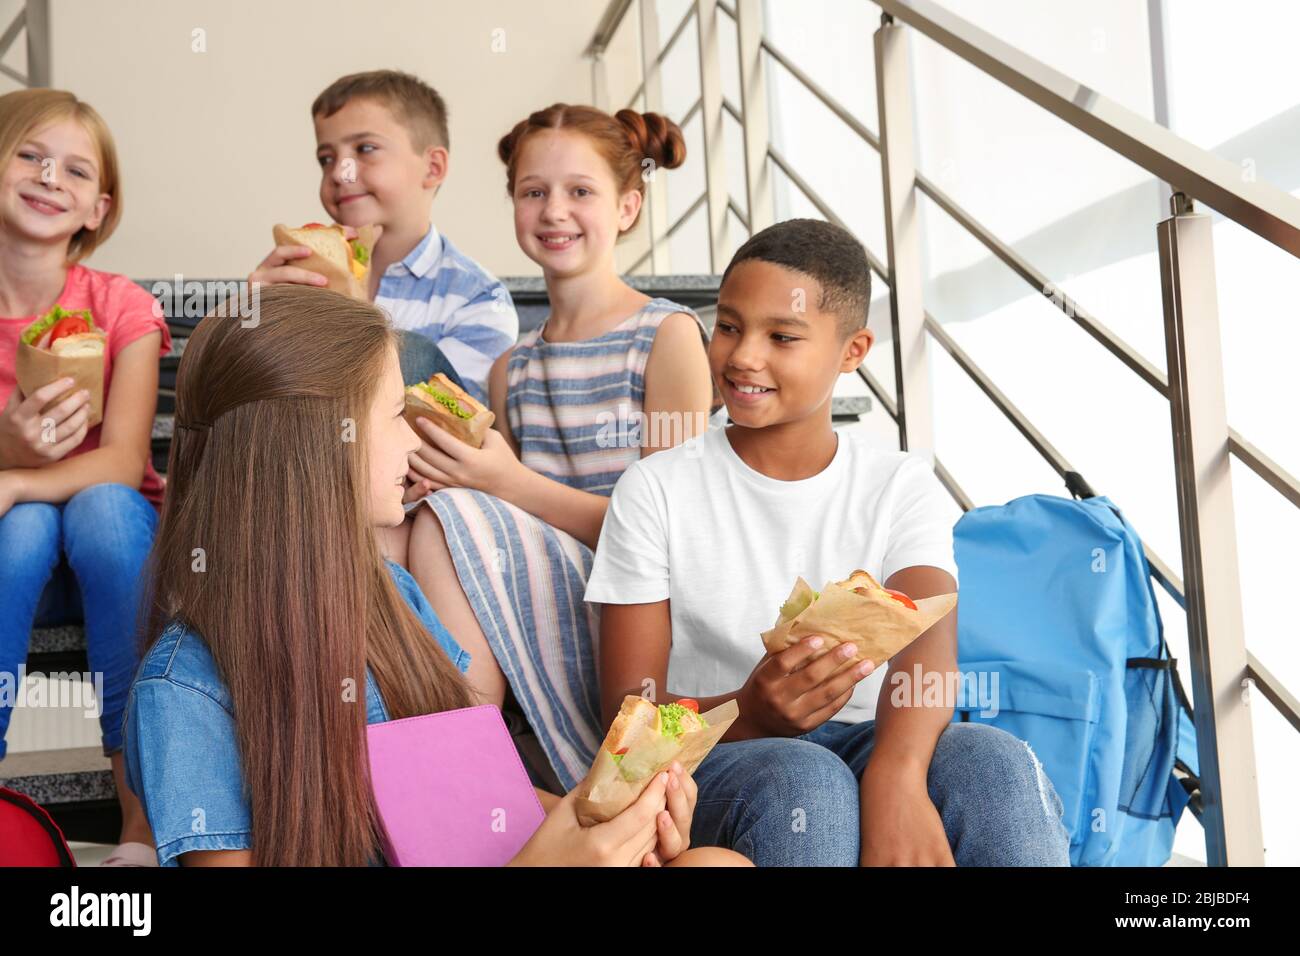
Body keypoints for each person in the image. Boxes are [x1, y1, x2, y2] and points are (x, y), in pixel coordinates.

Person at [122, 284, 745, 867]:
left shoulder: (393, 596)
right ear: (318, 446)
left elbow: (479, 804)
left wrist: (611, 825)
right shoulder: (184, 690)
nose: (415, 441)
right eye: (397, 415)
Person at [586, 218, 1073, 865]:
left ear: (853, 350)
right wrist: (751, 709)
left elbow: (926, 636)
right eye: (729, 326)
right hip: (723, 757)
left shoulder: (899, 481)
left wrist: (896, 777)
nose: (742, 356)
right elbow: (629, 708)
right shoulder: (655, 489)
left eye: (781, 336)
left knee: (993, 763)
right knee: (805, 781)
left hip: (871, 738)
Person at [391, 104, 714, 792]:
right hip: (536, 606)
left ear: (628, 207)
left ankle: (466, 755)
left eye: (580, 192)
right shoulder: (512, 368)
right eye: (533, 191)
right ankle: (454, 747)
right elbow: (505, 519)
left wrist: (502, 484)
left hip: (633, 613)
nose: (554, 210)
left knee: (459, 515)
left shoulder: (668, 337)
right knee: (428, 513)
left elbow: (668, 541)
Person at [0, 88, 171, 867]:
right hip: (16, 553)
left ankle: (137, 820)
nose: (47, 177)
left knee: (100, 506)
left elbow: (126, 461)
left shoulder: (119, 306)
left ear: (97, 209)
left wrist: (12, 478)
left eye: (73, 170)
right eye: (28, 155)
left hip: (115, 550)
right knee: (25, 527)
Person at [248, 69, 517, 398]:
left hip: (402, 446)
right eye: (326, 158)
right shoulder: (301, 278)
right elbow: (266, 403)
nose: (338, 173)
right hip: (304, 448)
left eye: (365, 148)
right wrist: (256, 323)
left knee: (414, 354)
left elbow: (439, 426)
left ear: (432, 167)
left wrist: (351, 324)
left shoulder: (478, 300)